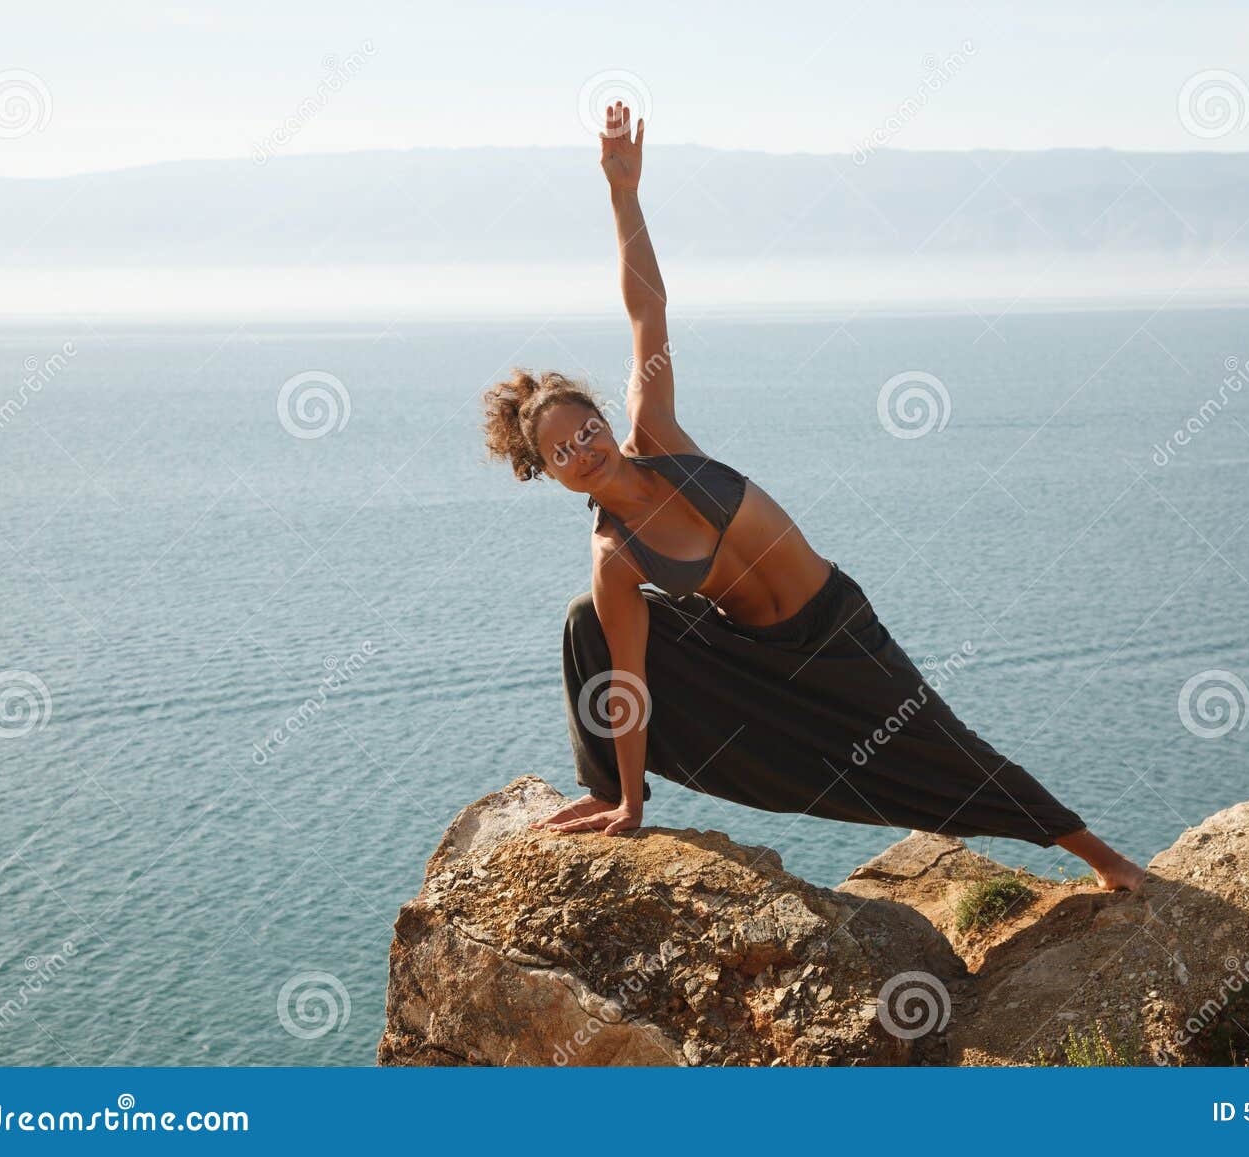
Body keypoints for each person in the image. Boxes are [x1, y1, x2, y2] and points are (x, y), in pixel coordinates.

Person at [483, 103, 1146, 893]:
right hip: (760, 663)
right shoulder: (614, 559)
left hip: (834, 623)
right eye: (559, 452)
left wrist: (624, 193)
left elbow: (648, 309)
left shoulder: (654, 431)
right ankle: (602, 786)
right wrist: (628, 800)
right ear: (549, 473)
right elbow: (625, 685)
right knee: (585, 624)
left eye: (583, 429)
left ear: (599, 417)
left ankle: (1107, 863)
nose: (581, 451)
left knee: (941, 747)